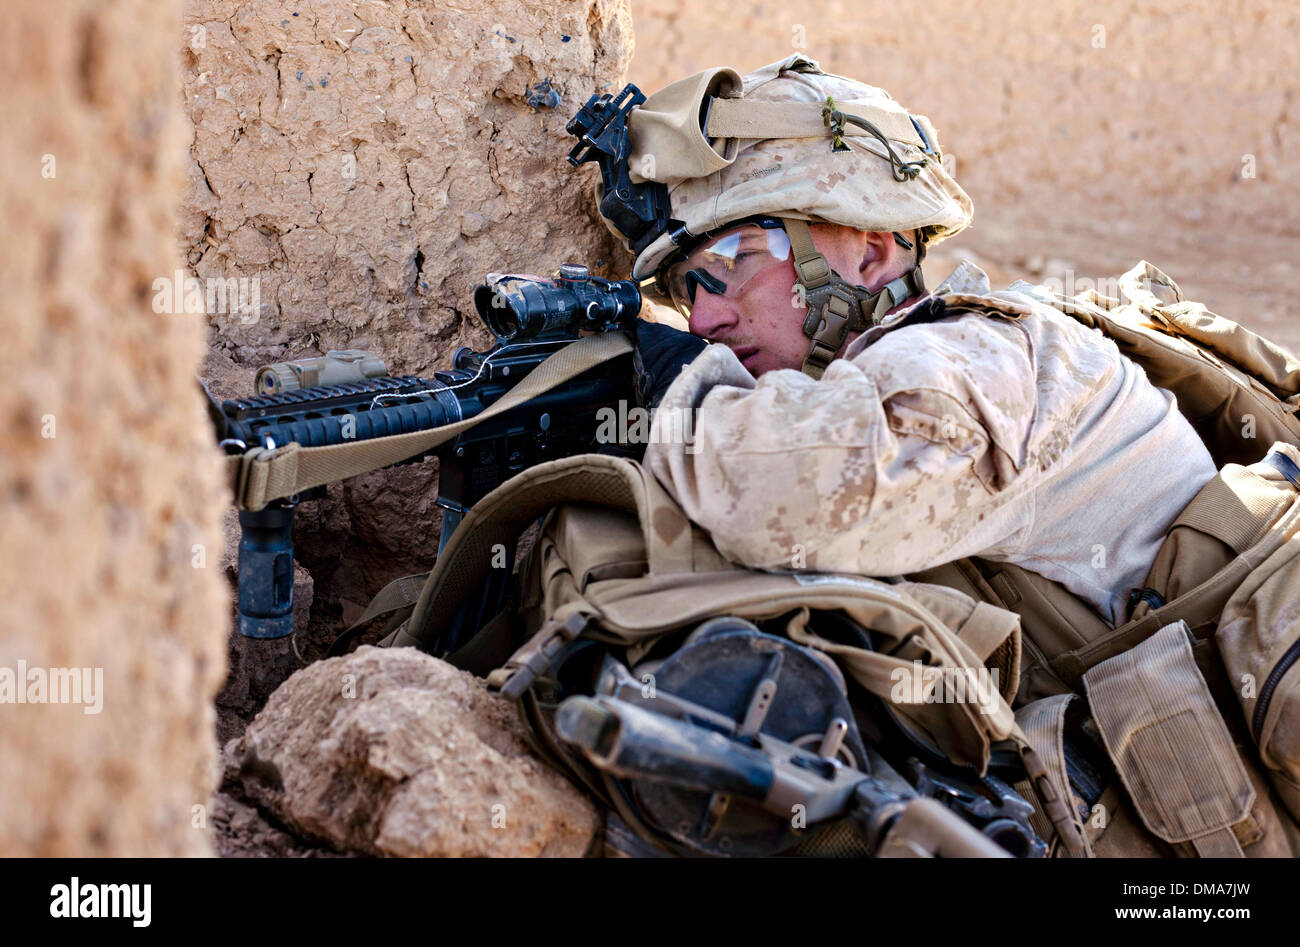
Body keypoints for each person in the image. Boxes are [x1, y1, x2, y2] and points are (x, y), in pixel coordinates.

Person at [604, 54, 1218, 627]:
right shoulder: (926, 351)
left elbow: (778, 503)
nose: (703, 320)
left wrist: (675, 391)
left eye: (736, 258)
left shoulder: (974, 358)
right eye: (687, 289)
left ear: (870, 254)